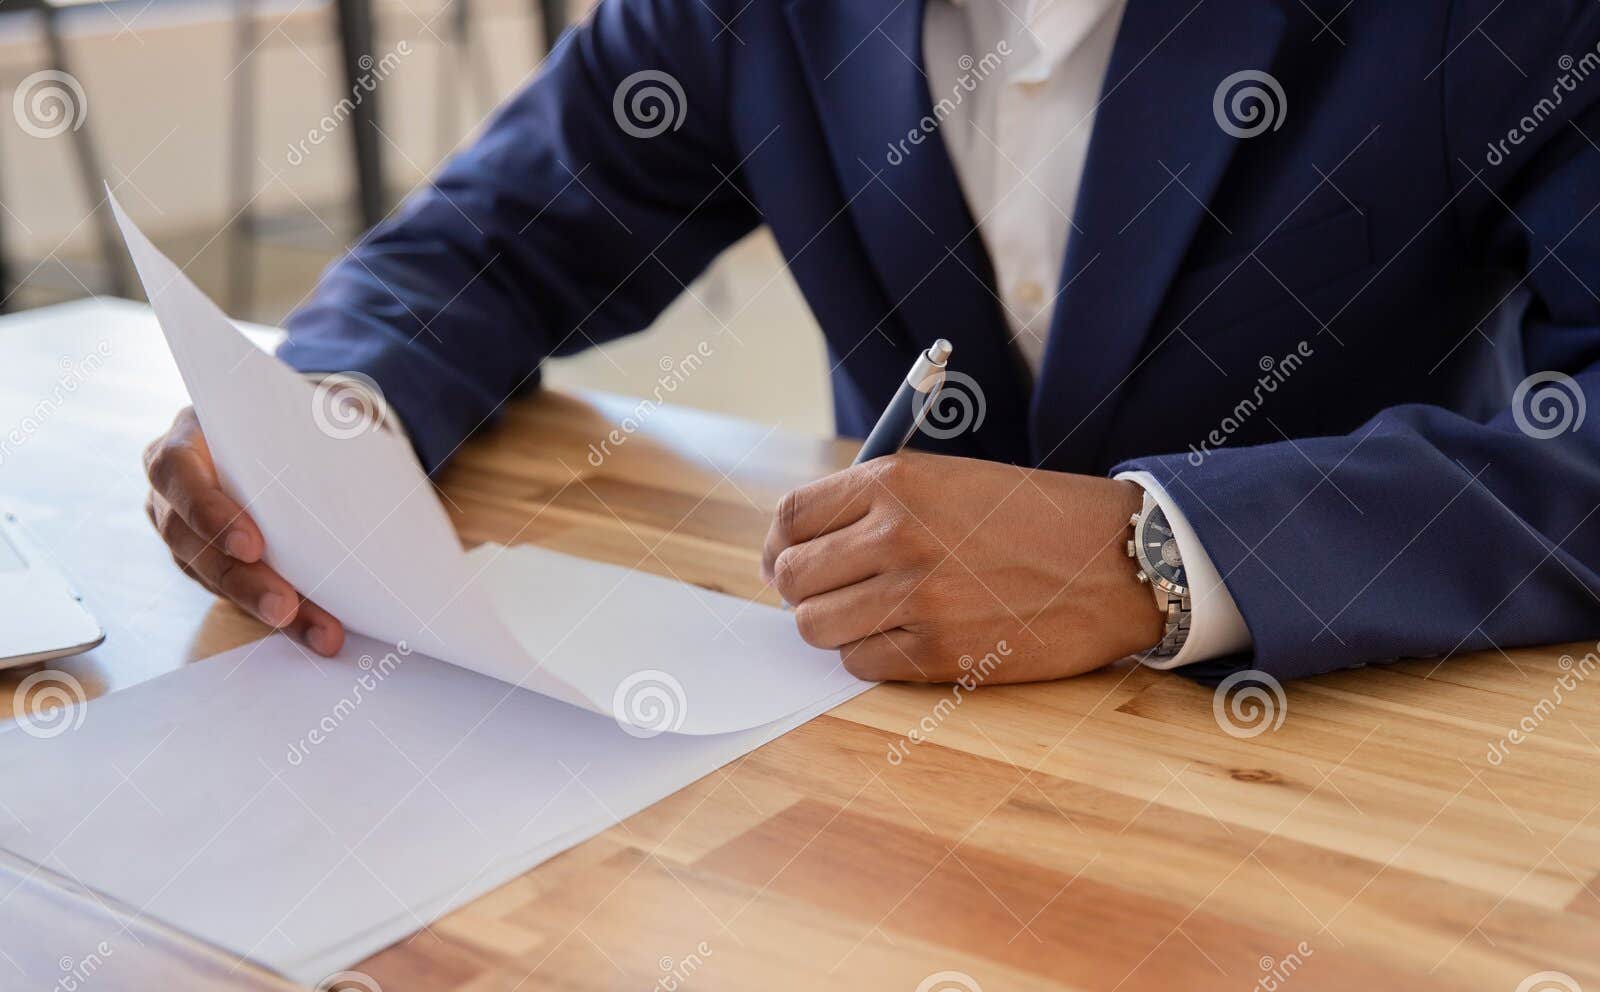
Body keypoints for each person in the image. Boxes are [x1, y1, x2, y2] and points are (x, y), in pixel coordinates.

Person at [143, 0, 1600, 684]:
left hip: (1357, 757)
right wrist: (311, 416)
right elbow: (494, 239)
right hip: (862, 770)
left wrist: (1157, 556)